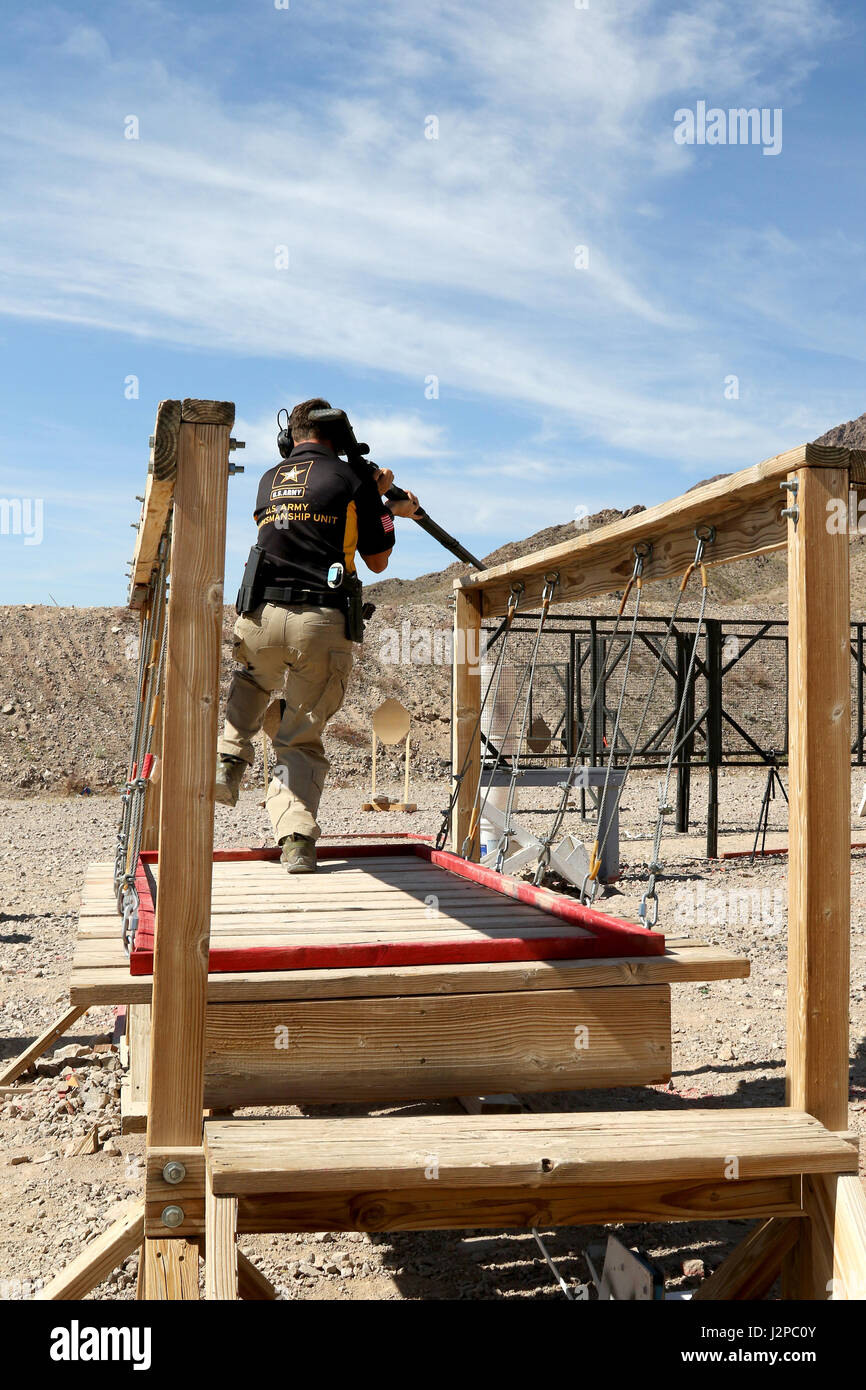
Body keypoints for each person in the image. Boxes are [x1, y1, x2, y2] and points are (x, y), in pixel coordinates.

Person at [215, 398, 419, 872]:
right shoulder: (351, 480)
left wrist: (372, 491)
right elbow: (377, 558)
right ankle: (297, 841)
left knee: (252, 681)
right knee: (299, 737)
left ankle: (228, 763)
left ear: (292, 438)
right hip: (319, 623)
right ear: (341, 437)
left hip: (259, 616)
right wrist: (386, 505)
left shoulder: (269, 479)